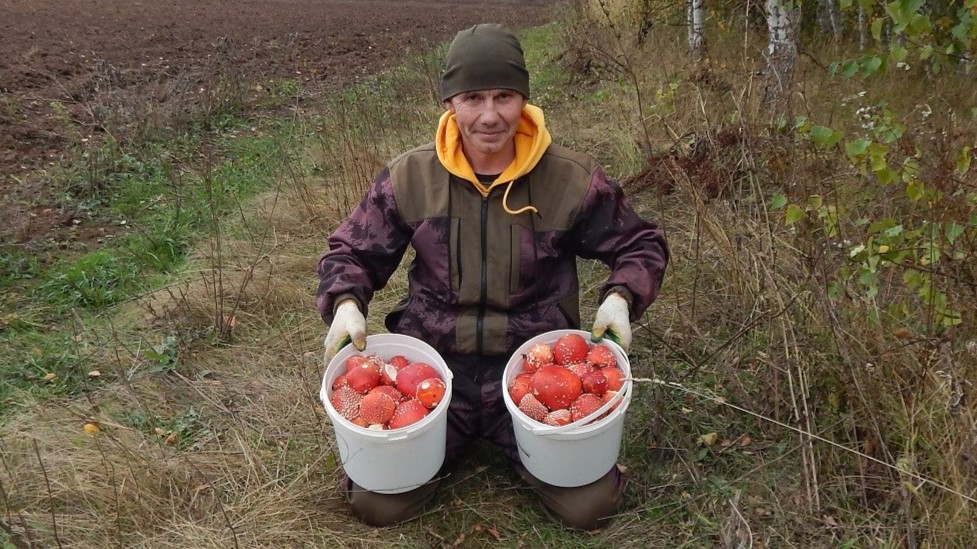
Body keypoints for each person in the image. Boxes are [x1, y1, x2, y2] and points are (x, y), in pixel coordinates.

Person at [316, 23, 669, 531]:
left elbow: (641, 243)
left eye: (504, 96)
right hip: (435, 371)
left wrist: (620, 298)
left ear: (523, 99)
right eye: (472, 97)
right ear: (450, 103)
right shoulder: (410, 177)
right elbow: (350, 251)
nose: (489, 115)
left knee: (588, 509)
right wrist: (346, 301)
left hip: (532, 368)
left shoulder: (570, 178)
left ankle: (508, 443)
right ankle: (441, 446)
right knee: (379, 505)